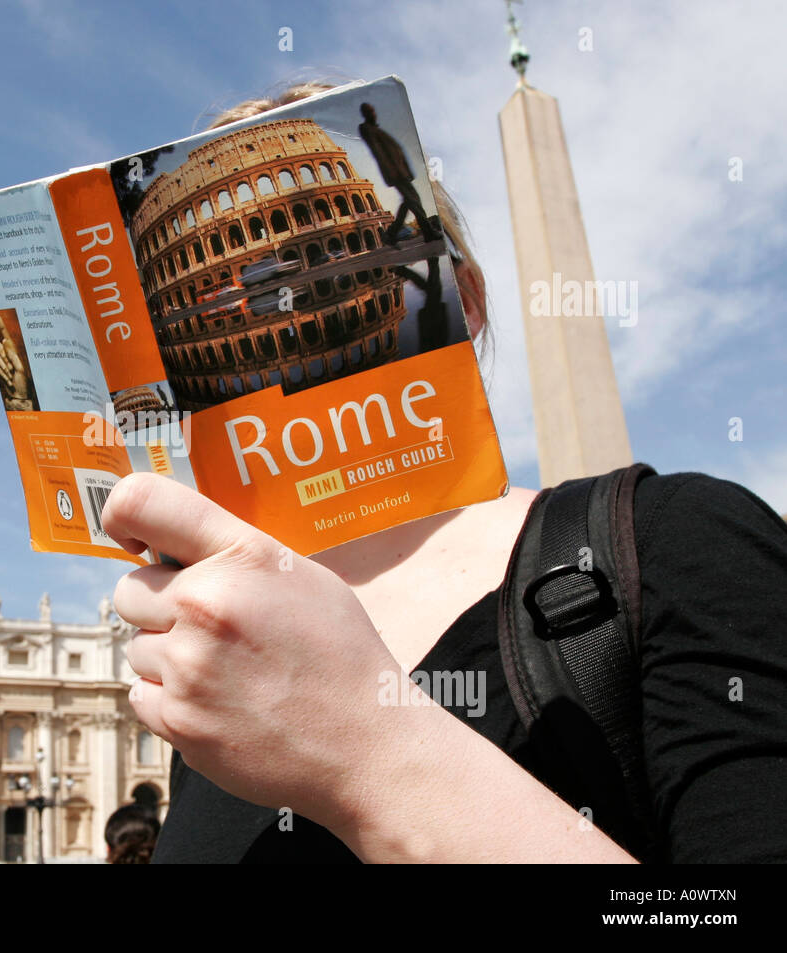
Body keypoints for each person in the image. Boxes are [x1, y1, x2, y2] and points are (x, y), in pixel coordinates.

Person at [102, 80, 787, 863]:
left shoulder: (677, 545)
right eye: (231, 287)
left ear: (462, 296)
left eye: (313, 254)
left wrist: (369, 752)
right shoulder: (215, 663)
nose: (281, 305)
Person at [356, 101, 441, 245]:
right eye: (370, 111)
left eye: (374, 110)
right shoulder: (366, 128)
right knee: (413, 200)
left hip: (400, 171)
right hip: (395, 172)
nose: (374, 114)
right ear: (365, 114)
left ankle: (391, 234)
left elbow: (395, 151)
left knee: (409, 201)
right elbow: (378, 152)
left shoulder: (377, 130)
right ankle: (428, 232)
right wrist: (392, 173)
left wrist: (406, 169)